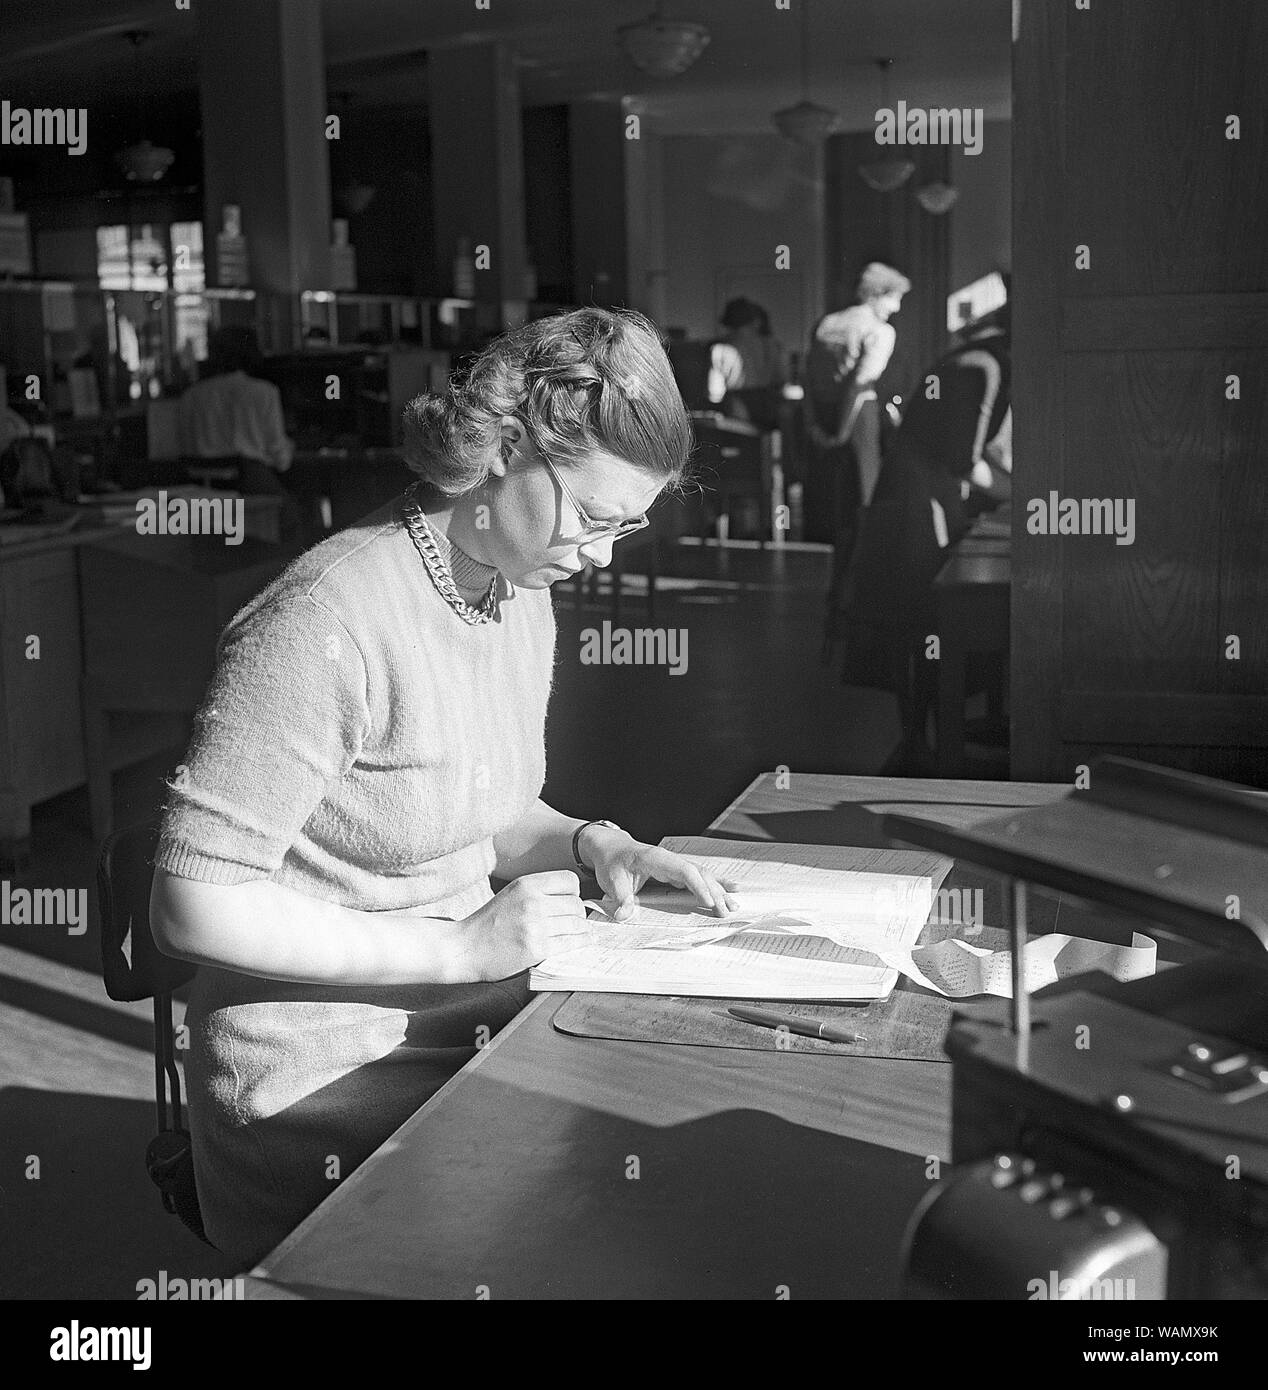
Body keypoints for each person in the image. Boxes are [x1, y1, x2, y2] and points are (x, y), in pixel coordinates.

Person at [148, 307, 739, 1265]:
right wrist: (460, 950)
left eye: (627, 527)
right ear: (502, 450)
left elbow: (483, 814)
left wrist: (595, 843)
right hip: (320, 1083)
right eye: (593, 518)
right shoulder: (321, 622)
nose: (603, 554)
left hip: (472, 1025)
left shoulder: (514, 588)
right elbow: (188, 904)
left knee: (677, 1155)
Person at [177, 325, 301, 541]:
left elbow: (184, 446)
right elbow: (281, 458)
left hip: (198, 492)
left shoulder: (191, 395)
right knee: (294, 520)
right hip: (251, 487)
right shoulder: (263, 392)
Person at [707, 297, 784, 428]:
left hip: (737, 409)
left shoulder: (721, 348)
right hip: (769, 406)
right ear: (755, 321)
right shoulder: (772, 345)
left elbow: (715, 393)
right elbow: (782, 378)